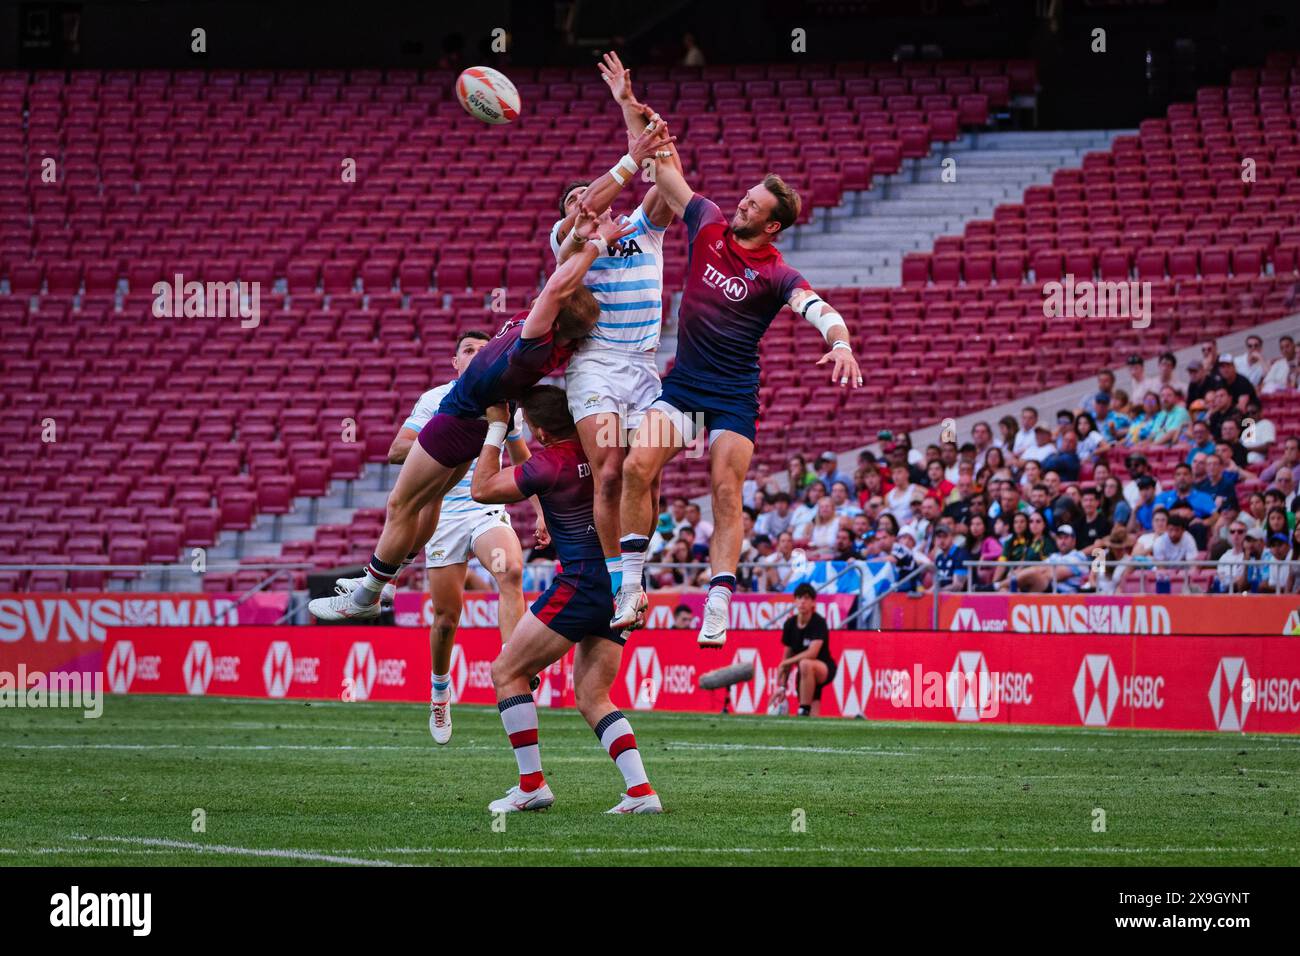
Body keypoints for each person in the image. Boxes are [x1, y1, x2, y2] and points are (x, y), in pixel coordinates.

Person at [613, 119, 863, 650]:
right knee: (636, 466)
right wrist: (631, 108)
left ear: (773, 226)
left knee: (725, 491)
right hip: (684, 387)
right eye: (746, 198)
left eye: (754, 206)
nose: (743, 206)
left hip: (731, 398)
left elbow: (820, 311)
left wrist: (839, 342)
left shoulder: (777, 275)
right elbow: (661, 167)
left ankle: (719, 602)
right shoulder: (706, 222)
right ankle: (630, 586)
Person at [308, 205, 626, 622]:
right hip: (474, 422)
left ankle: (367, 594)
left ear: (555, 311)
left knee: (401, 502)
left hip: (459, 417)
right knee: (429, 503)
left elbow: (557, 287)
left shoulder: (533, 341)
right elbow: (565, 278)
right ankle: (380, 581)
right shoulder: (556, 339)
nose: (545, 294)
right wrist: (590, 239)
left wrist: (599, 243)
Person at [475, 386, 661, 815]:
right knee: (594, 695)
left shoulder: (547, 463)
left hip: (580, 582)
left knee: (506, 671)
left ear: (538, 430)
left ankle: (532, 785)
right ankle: (641, 791)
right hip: (622, 585)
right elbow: (645, 497)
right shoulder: (605, 455)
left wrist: (498, 428)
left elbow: (482, 489)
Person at [551, 54, 679, 598]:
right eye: (575, 200)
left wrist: (630, 108)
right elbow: (595, 201)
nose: (583, 203)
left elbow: (668, 177)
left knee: (643, 474)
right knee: (607, 471)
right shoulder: (566, 240)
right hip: (596, 365)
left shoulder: (643, 227)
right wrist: (627, 161)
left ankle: (636, 574)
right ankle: (615, 580)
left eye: (586, 196)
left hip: (645, 365)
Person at [366, 331, 532, 744]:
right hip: (444, 513)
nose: (476, 355)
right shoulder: (435, 400)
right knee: (446, 618)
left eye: (482, 349)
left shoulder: (504, 402)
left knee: (510, 570)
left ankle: (516, 662)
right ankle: (440, 690)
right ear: (456, 363)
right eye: (468, 351)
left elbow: (522, 462)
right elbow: (396, 450)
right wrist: (444, 442)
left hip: (485, 506)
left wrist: (543, 512)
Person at [772, 583, 836, 717]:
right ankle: (807, 713)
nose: (802, 601)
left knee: (805, 663)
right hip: (804, 674)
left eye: (807, 598)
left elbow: (812, 653)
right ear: (795, 600)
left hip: (823, 667)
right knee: (813, 719)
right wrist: (782, 687)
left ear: (813, 602)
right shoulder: (790, 624)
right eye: (799, 597)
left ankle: (803, 709)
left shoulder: (818, 622)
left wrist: (787, 662)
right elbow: (787, 657)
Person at [1014, 525, 1088, 592]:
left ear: (1074, 540)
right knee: (1029, 575)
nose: (1063, 541)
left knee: (1039, 578)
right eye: (1060, 538)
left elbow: (1054, 575)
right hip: (1048, 595)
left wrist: (1040, 570)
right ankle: (1005, 585)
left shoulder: (1079, 556)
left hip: (1068, 597)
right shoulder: (1054, 556)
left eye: (1066, 537)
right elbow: (1038, 569)